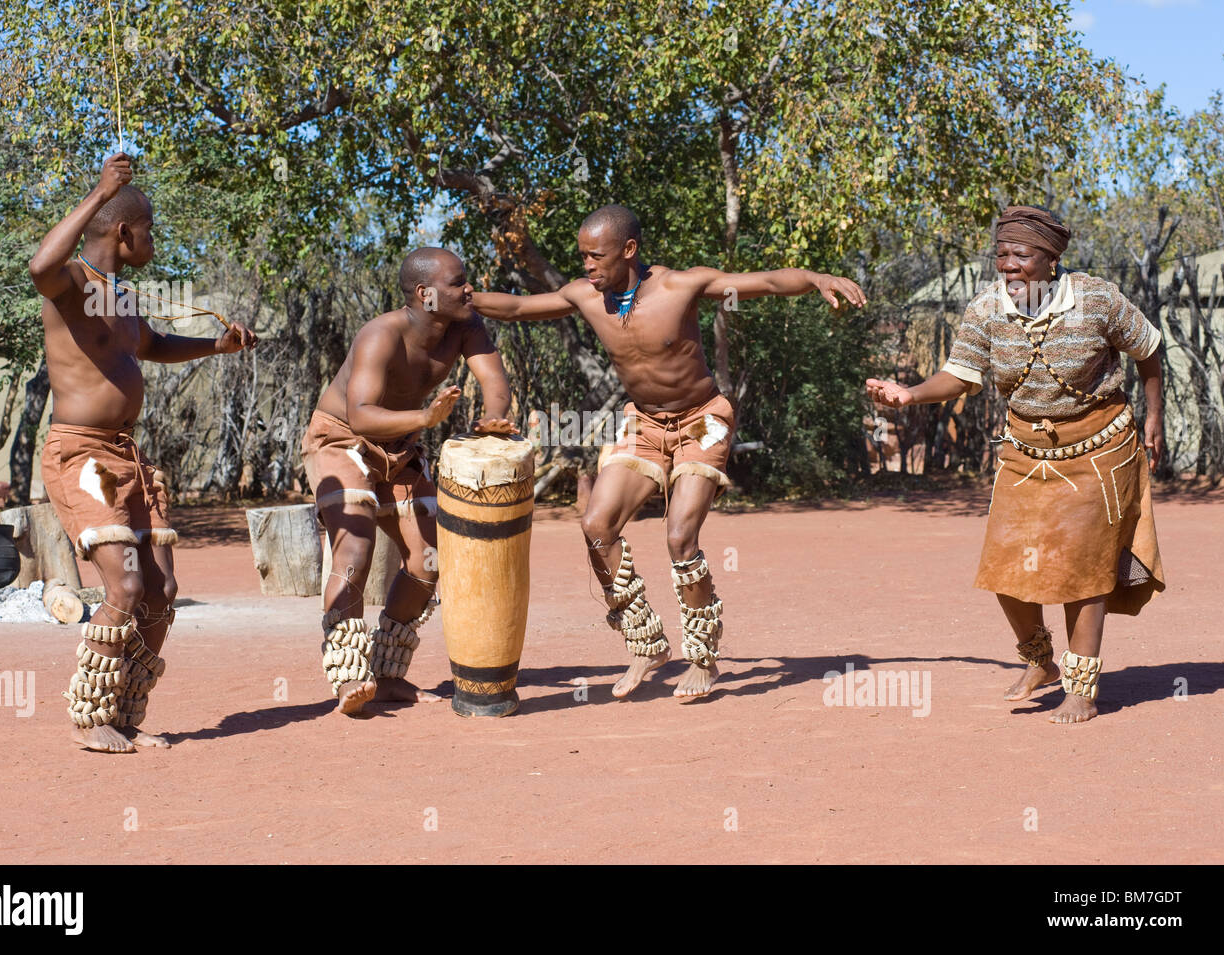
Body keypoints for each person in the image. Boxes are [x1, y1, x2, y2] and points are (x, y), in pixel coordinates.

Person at [473, 205, 865, 700]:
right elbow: (515, 308)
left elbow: (763, 282)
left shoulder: (681, 286)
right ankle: (645, 642)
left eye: (597, 256)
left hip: (703, 420)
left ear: (629, 250)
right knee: (597, 527)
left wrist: (814, 276)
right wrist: (463, 299)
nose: (587, 266)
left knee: (680, 538)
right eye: (583, 257)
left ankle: (703, 658)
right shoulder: (584, 295)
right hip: (644, 422)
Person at [866, 205, 1165, 724]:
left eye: (1022, 255)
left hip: (1097, 449)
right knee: (1006, 568)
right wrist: (910, 395)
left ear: (1051, 261)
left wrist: (1155, 416)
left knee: (1085, 573)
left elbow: (1149, 352)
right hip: (1025, 453)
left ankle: (1081, 688)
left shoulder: (1097, 299)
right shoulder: (986, 309)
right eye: (1002, 254)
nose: (1009, 265)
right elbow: (960, 375)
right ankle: (1039, 661)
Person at [28, 152, 258, 753]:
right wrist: (100, 193)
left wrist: (217, 346)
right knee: (124, 588)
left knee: (159, 593)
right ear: (124, 232)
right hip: (83, 457)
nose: (155, 239)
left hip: (130, 458)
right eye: (150, 228)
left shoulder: (121, 298)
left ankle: (126, 712)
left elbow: (152, 345)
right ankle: (91, 717)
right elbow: (38, 264)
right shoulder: (73, 283)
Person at [303, 247, 517, 716]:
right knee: (354, 545)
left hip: (399, 451)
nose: (469, 289)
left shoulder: (467, 325)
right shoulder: (381, 334)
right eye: (458, 282)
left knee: (429, 559)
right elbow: (360, 416)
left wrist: (496, 417)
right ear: (425, 295)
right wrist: (426, 415)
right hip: (341, 441)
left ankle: (386, 675)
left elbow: (494, 383)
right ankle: (347, 674)